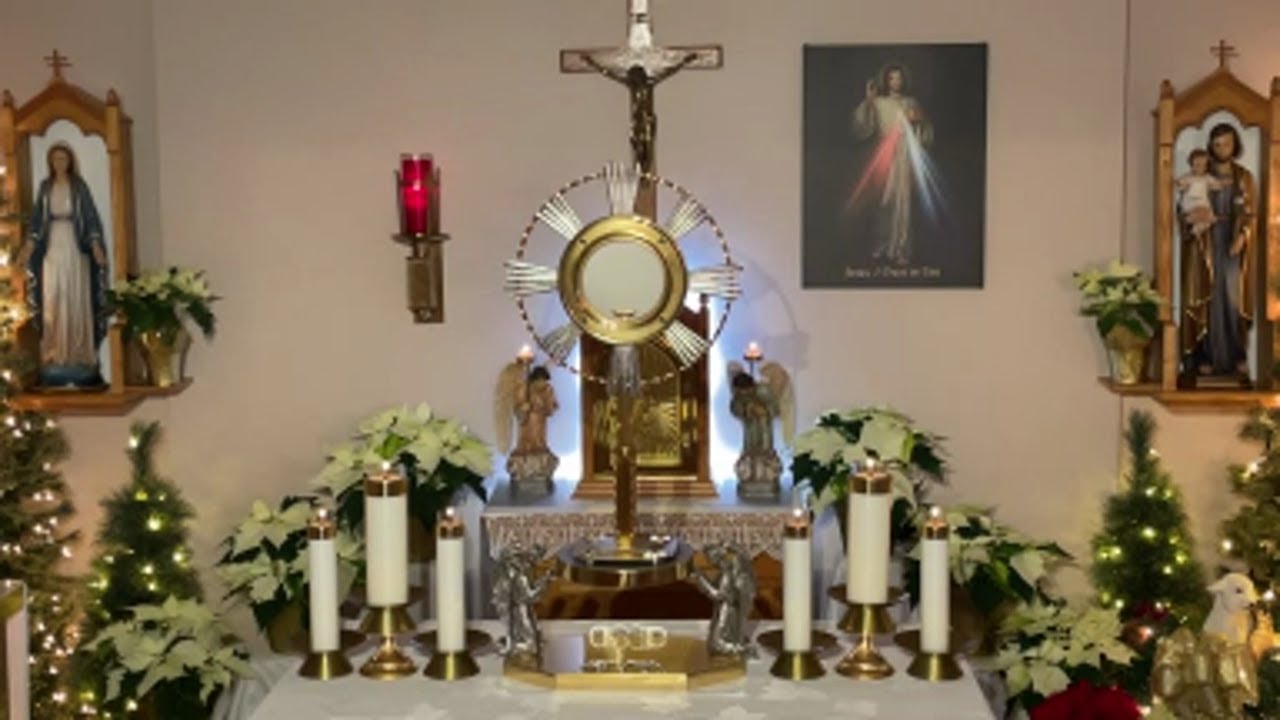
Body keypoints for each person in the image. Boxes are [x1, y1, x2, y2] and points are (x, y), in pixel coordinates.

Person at [20, 143, 109, 388]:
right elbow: (37, 221)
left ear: (70, 161)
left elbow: (90, 219)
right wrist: (28, 246)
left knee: (76, 298)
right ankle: (54, 354)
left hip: (75, 245)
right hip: (52, 246)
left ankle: (80, 355)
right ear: (51, 162)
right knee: (53, 297)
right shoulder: (45, 187)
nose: (60, 163)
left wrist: (96, 246)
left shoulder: (79, 187)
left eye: (64, 158)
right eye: (56, 159)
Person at [1179, 123, 1256, 378]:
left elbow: (1250, 212)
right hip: (1206, 241)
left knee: (1232, 297)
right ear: (1211, 146)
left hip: (1231, 243)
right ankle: (1204, 355)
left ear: (1235, 145)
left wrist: (1243, 236)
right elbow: (1184, 205)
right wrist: (1190, 217)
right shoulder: (1201, 174)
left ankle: (1236, 355)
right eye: (1217, 144)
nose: (1222, 148)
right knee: (1207, 295)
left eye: (1227, 143)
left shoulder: (1243, 176)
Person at [848, 63, 938, 266]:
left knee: (903, 202)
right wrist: (869, 102)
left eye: (899, 78)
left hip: (905, 157)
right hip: (884, 155)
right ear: (886, 80)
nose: (896, 82)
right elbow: (862, 128)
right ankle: (881, 244)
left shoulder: (911, 102)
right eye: (892, 78)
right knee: (883, 201)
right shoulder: (879, 102)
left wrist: (919, 121)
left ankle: (901, 248)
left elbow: (926, 134)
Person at [1175, 149, 1221, 240]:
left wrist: (1219, 185)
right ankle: (1189, 222)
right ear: (1191, 165)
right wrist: (1181, 185)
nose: (1200, 168)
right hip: (1191, 203)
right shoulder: (1188, 177)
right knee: (1193, 214)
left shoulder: (1207, 178)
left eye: (1203, 165)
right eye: (1197, 165)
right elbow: (1180, 185)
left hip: (1202, 202)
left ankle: (1198, 228)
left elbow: (1216, 185)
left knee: (1208, 216)